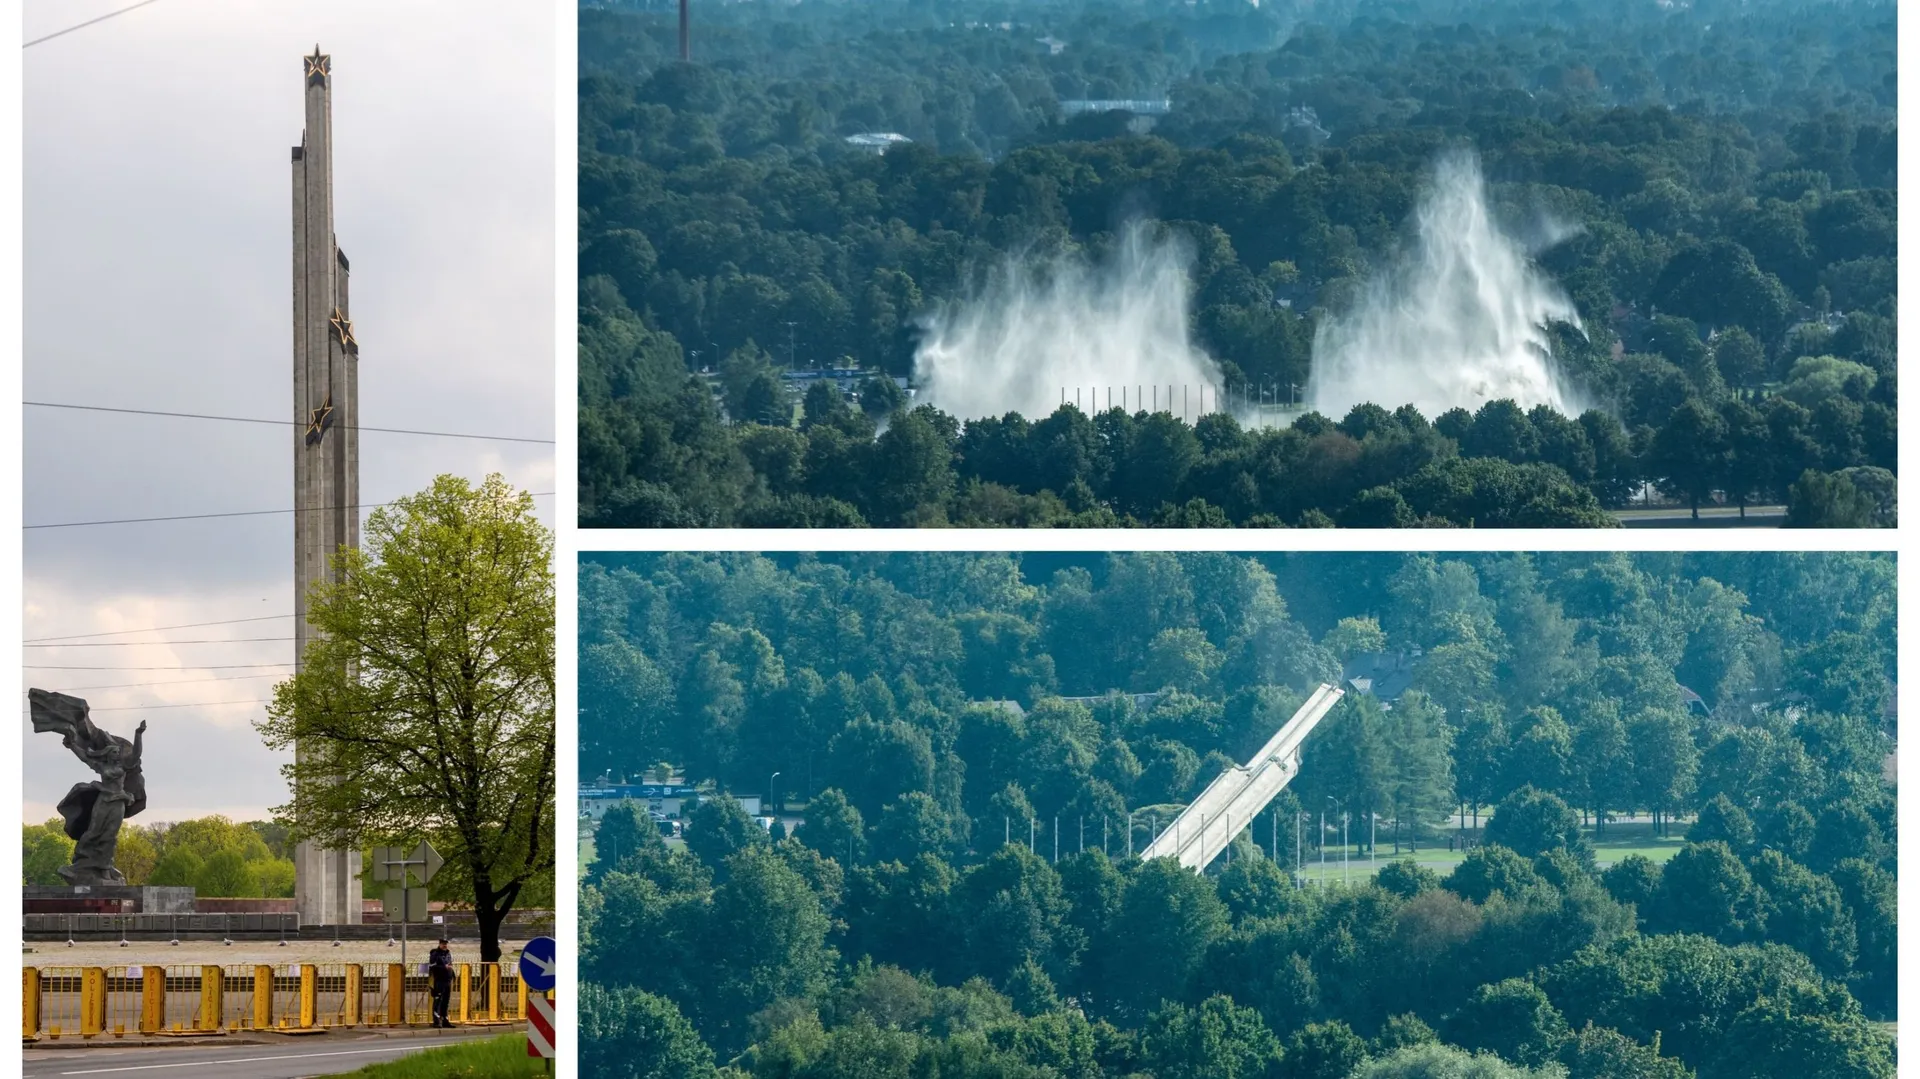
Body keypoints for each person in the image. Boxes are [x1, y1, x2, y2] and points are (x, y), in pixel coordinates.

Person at [428, 937, 455, 1027]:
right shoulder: (435, 954)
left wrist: (453, 975)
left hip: (447, 980)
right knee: (438, 1001)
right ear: (439, 944)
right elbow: (432, 966)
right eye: (443, 944)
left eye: (446, 944)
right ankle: (436, 1021)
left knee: (445, 1002)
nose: (445, 945)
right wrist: (444, 967)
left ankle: (445, 1020)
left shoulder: (448, 954)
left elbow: (449, 964)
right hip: (439, 980)